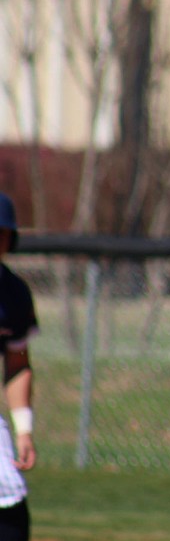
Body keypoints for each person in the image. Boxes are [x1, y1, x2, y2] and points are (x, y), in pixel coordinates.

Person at [0, 193, 36, 541]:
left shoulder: (11, 292)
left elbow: (16, 364)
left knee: (11, 516)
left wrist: (23, 429)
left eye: (1, 233)